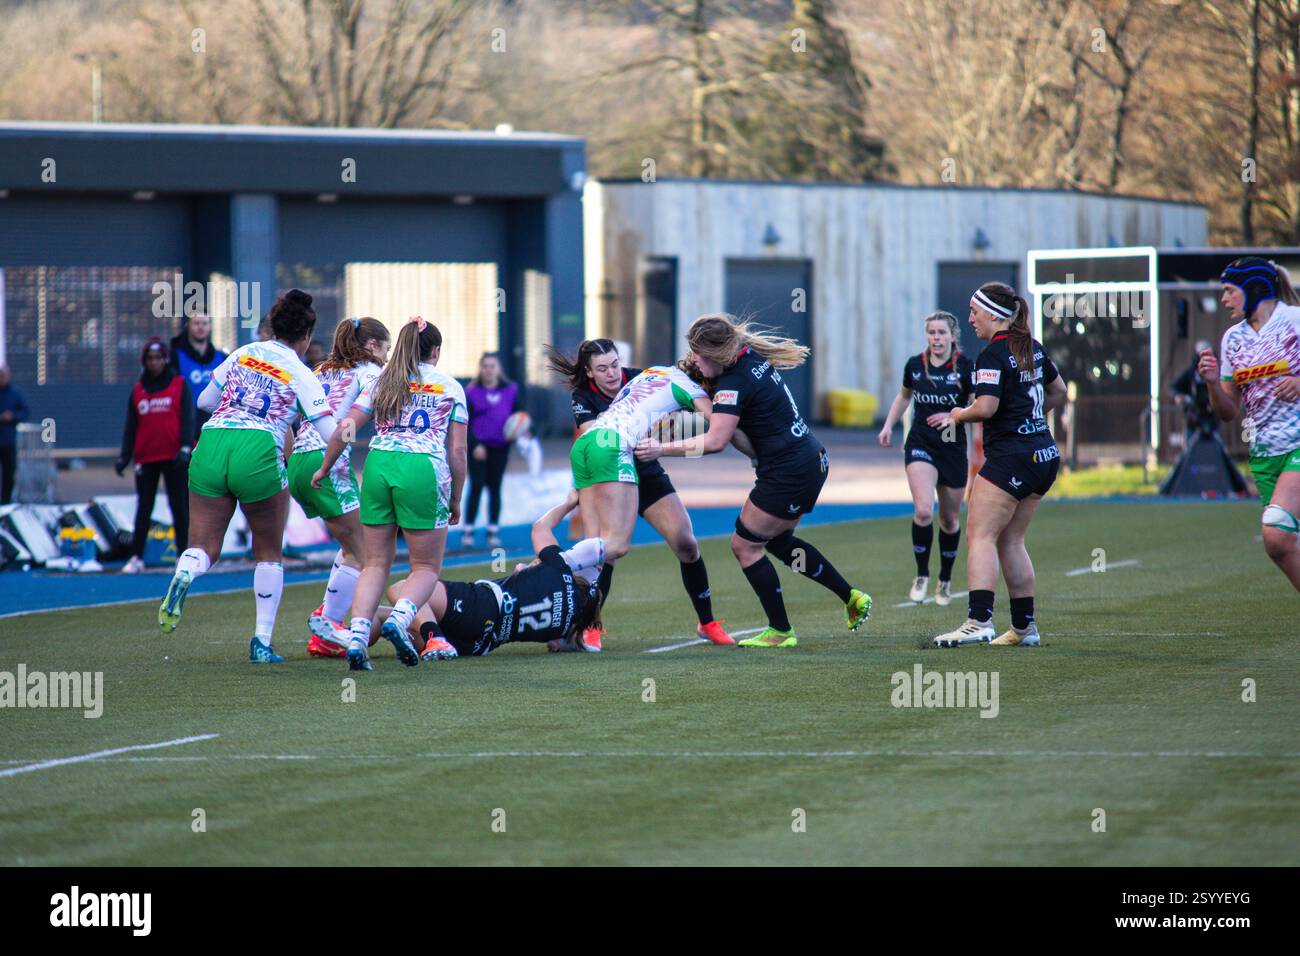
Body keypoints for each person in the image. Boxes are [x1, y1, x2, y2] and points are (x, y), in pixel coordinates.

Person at [636, 315, 873, 649]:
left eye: (699, 356)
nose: (696, 363)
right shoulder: (749, 356)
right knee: (776, 542)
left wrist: (661, 449)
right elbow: (744, 437)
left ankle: (780, 631)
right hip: (809, 459)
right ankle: (851, 597)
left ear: (717, 354)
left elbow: (717, 440)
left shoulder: (733, 383)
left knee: (744, 545)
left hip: (789, 471)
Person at [157, 290, 336, 663]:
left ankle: (186, 572)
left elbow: (205, 401)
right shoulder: (301, 372)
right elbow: (327, 429)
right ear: (305, 336)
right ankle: (261, 642)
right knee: (268, 551)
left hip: (213, 442)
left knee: (204, 546)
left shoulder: (242, 352)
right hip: (258, 448)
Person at [548, 338, 735, 651]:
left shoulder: (640, 376)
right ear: (590, 373)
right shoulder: (582, 396)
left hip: (646, 470)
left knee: (686, 543)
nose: (612, 374)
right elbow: (600, 438)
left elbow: (662, 417)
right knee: (606, 551)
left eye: (614, 365)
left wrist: (662, 437)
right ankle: (588, 624)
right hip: (610, 469)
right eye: (602, 369)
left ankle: (707, 622)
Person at [313, 317, 468, 672]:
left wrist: (324, 467)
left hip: (379, 466)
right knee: (426, 566)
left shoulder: (383, 381)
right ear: (436, 351)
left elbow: (347, 427)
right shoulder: (450, 387)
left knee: (375, 563)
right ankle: (400, 618)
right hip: (422, 469)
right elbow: (457, 453)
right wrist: (456, 497)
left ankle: (356, 637)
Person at [931, 282, 1067, 648]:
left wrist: (959, 414)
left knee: (981, 536)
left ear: (994, 314)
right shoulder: (1031, 348)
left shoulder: (992, 354)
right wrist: (1032, 419)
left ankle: (978, 620)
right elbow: (1060, 391)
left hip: (1013, 456)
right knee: (1011, 539)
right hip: (1043, 455)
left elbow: (987, 407)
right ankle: (1025, 628)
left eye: (975, 311)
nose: (970, 318)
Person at [356, 490, 603, 665]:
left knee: (403, 588)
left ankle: (434, 636)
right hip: (476, 645)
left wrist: (570, 504)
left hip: (481, 605)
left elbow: (541, 528)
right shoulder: (562, 627)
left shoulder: (560, 571)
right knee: (380, 614)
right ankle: (353, 641)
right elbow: (559, 642)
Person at [286, 317, 391, 657]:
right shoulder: (371, 374)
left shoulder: (319, 371)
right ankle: (329, 624)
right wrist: (330, 462)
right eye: (386, 348)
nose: (388, 357)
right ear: (372, 346)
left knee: (351, 546)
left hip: (300, 461)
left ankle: (324, 629)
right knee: (366, 553)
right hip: (325, 463)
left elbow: (291, 418)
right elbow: (346, 427)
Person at [1200, 257, 1300, 590]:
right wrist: (1213, 383)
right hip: (1265, 454)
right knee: (1284, 545)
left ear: (1254, 289)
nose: (1224, 299)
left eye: (1230, 291)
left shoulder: (1295, 321)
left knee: (1275, 533)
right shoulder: (1232, 339)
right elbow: (1228, 412)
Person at [878, 311, 974, 605]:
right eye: (931, 332)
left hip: (953, 449)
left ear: (952, 336)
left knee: (949, 518)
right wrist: (887, 425)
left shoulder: (967, 368)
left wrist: (955, 416)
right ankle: (922, 574)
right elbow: (904, 396)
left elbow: (979, 406)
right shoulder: (915, 365)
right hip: (921, 444)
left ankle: (944, 579)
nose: (936, 338)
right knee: (922, 511)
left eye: (941, 332)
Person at [116, 338, 194, 573]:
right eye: (150, 359)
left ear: (166, 359)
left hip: (174, 456)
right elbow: (131, 425)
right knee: (143, 509)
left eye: (159, 358)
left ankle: (183, 556)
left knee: (179, 507)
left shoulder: (179, 384)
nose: (155, 363)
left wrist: (185, 447)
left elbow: (187, 418)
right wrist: (124, 456)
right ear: (145, 361)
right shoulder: (138, 390)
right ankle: (136, 557)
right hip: (146, 458)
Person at [459, 351, 524, 551]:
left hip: (500, 446)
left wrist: (523, 432)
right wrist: (474, 443)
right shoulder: (471, 392)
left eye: (492, 366)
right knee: (477, 485)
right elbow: (464, 421)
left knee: (495, 487)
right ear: (480, 368)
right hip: (478, 447)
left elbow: (520, 415)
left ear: (499, 369)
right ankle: (468, 531)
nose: (488, 370)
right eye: (485, 366)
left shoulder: (511, 390)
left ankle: (493, 531)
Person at [169, 314, 227, 433]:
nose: (201, 327)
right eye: (196, 323)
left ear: (210, 326)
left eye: (204, 323)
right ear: (188, 326)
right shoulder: (175, 357)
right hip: (185, 425)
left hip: (215, 425)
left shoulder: (223, 358)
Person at [1172, 339, 1216, 438]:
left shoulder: (1216, 372)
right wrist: (1179, 396)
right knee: (1192, 442)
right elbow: (1175, 387)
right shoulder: (1190, 373)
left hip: (1211, 416)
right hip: (1194, 415)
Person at [0, 364, 29, 504]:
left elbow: (25, 412)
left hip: (8, 441)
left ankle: (6, 501)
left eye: (3, 375)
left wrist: (12, 416)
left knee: (9, 473)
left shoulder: (15, 393)